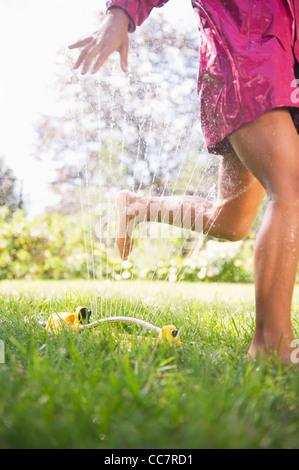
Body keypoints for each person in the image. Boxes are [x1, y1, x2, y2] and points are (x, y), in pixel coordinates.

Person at [69, 1, 299, 364]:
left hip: (285, 65)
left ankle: (137, 207)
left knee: (231, 222)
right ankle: (272, 345)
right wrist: (121, 13)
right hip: (245, 60)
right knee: (291, 190)